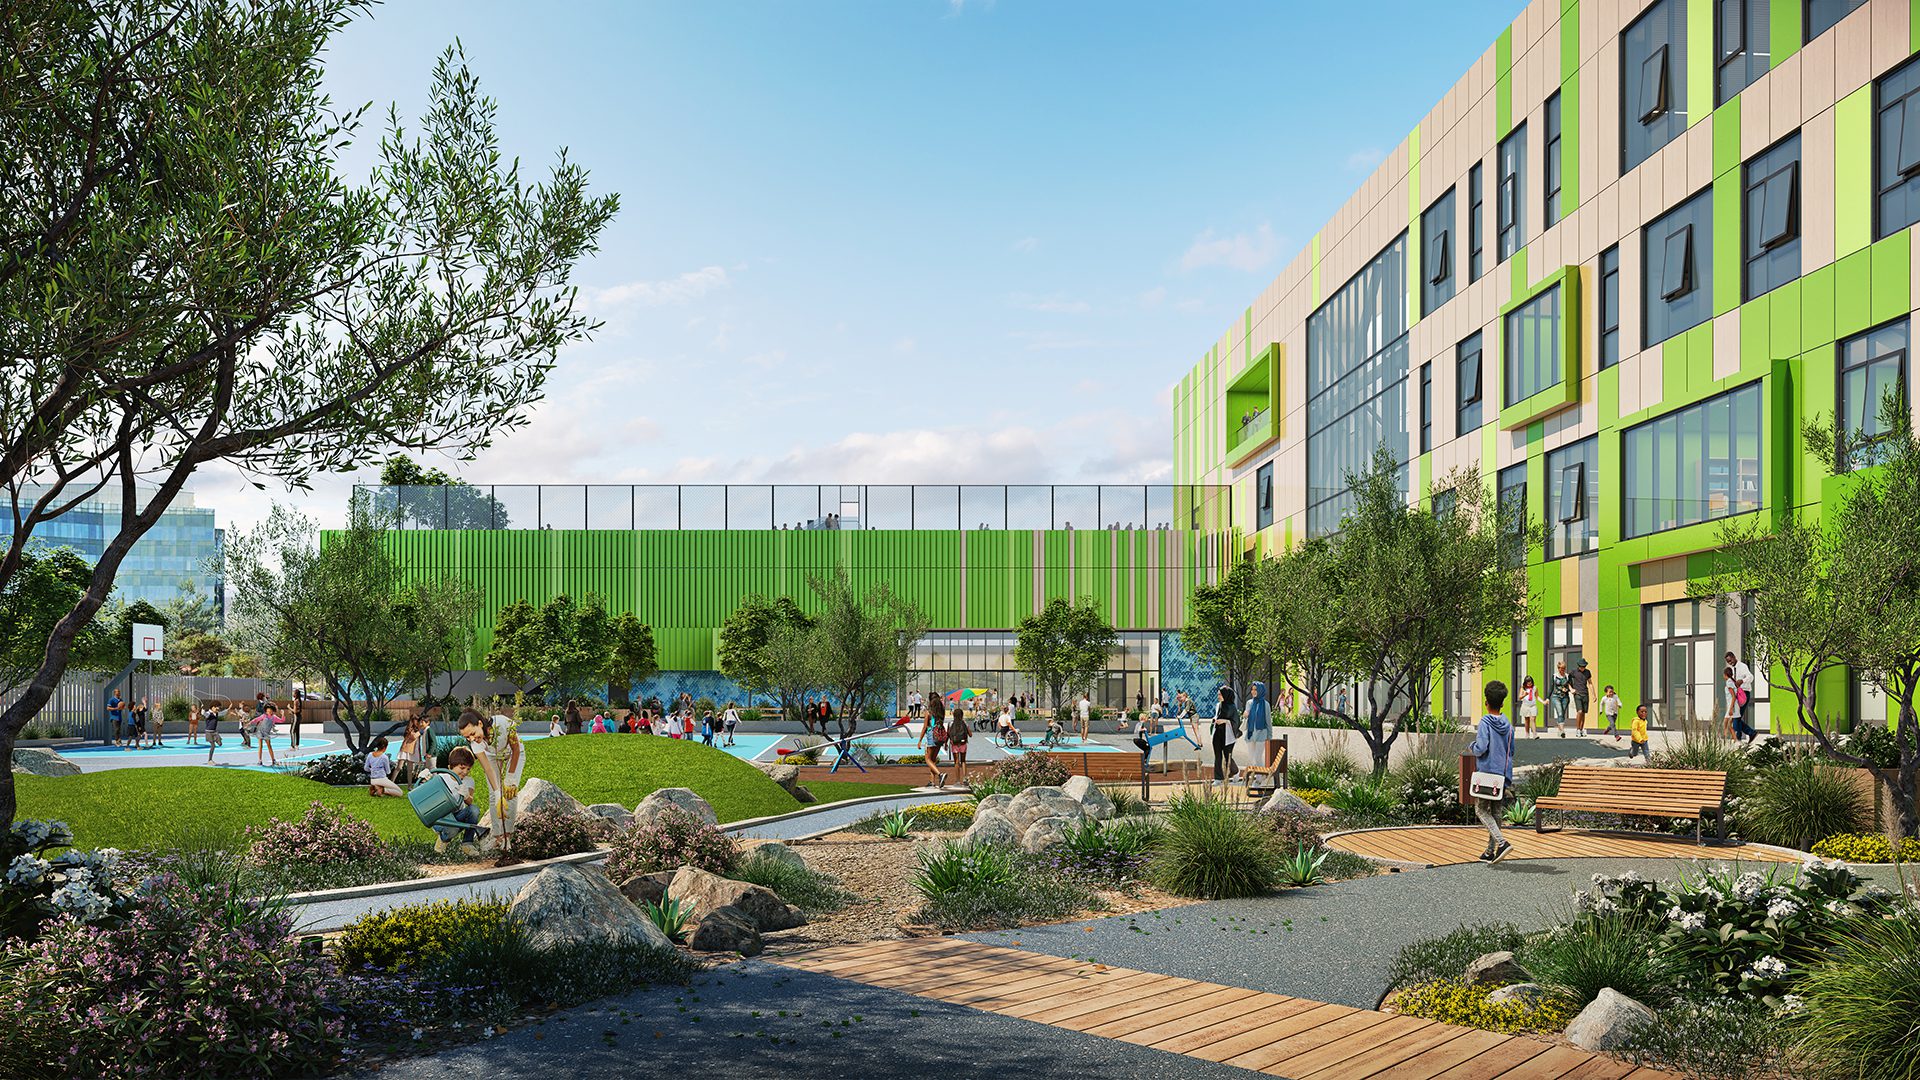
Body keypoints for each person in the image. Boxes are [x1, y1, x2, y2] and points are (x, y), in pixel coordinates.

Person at [458, 709, 526, 862]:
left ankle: (508, 837)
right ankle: (498, 837)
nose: (472, 739)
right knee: (493, 795)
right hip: (493, 756)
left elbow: (515, 750)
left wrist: (509, 779)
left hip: (513, 754)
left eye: (473, 733)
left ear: (480, 724)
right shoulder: (476, 745)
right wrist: (496, 793)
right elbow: (488, 768)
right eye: (467, 737)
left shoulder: (502, 723)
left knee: (510, 792)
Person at [1469, 681, 1516, 863]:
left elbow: (1481, 748)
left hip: (1486, 774)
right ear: (1502, 703)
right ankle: (1490, 851)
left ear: (1486, 701)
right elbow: (1511, 751)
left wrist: (1472, 746)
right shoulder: (1509, 726)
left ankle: (1502, 843)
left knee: (1480, 810)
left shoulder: (1485, 723)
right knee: (1496, 812)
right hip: (1502, 774)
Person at [435, 746, 482, 852]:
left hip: (458, 816)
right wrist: (425, 778)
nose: (465, 772)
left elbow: (469, 802)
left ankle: (467, 843)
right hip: (441, 818)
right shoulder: (442, 777)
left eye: (468, 769)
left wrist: (466, 795)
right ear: (451, 766)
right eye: (462, 768)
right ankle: (443, 839)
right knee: (452, 829)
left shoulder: (469, 781)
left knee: (474, 810)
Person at [1211, 685, 1240, 785]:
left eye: (1220, 694)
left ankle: (1235, 771)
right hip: (1218, 734)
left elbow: (1236, 722)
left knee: (1228, 756)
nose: (1218, 696)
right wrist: (1215, 719)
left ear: (1226, 695)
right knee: (1217, 756)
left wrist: (1225, 721)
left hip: (1228, 735)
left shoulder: (1232, 707)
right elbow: (1217, 715)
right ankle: (1218, 778)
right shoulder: (1218, 705)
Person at [1726, 651, 1757, 743]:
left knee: (1736, 717)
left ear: (1734, 657)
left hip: (1743, 694)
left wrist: (1742, 681)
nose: (1730, 662)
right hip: (1737, 695)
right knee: (1737, 717)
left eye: (1730, 660)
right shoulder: (1732, 669)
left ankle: (1739, 738)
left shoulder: (1742, 666)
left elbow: (1751, 677)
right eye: (1728, 662)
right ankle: (1750, 733)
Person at [919, 695, 948, 788]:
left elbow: (925, 727)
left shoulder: (929, 713)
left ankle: (940, 774)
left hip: (931, 735)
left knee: (927, 759)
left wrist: (920, 740)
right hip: (939, 736)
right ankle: (932, 781)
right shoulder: (941, 713)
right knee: (933, 759)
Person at [1243, 680, 1275, 767]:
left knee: (1258, 757)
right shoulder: (1249, 703)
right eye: (1252, 689)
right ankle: (1255, 775)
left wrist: (1269, 735)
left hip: (1261, 734)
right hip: (1250, 733)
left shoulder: (1265, 705)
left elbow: (1268, 721)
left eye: (1255, 689)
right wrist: (1245, 715)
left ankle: (1259, 778)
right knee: (1251, 757)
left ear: (1260, 690)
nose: (1253, 692)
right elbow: (1246, 717)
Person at [945, 703, 971, 787]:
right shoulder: (965, 723)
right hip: (963, 743)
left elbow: (948, 734)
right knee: (963, 761)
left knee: (956, 762)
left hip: (954, 744)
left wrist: (945, 743)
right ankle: (965, 778)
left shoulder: (950, 723)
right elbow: (970, 734)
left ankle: (957, 781)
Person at [1569, 659, 1593, 735]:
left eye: (1584, 666)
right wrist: (1571, 689)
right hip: (1577, 694)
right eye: (1581, 666)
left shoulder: (1587, 672)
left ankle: (1581, 729)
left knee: (1583, 713)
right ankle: (1578, 729)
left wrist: (1594, 695)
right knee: (1579, 711)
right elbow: (1568, 681)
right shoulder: (1574, 672)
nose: (1583, 668)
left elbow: (1590, 683)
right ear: (1578, 666)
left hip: (1585, 693)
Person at [1550, 659, 1571, 737]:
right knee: (1560, 712)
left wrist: (1567, 690)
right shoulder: (1554, 676)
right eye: (1561, 668)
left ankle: (1559, 730)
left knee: (1562, 714)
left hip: (1565, 697)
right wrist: (1548, 698)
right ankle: (1562, 731)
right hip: (1556, 696)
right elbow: (1551, 687)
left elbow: (1570, 686)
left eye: (1563, 668)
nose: (1562, 670)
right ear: (1558, 668)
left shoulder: (1567, 676)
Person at [257, 702, 279, 766]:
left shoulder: (273, 717)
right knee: (260, 746)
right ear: (266, 710)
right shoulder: (264, 716)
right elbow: (257, 720)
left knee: (269, 746)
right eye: (268, 710)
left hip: (266, 733)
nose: (269, 711)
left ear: (272, 711)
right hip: (260, 731)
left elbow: (280, 720)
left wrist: (282, 715)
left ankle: (273, 760)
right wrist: (250, 723)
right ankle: (260, 760)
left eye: (270, 710)